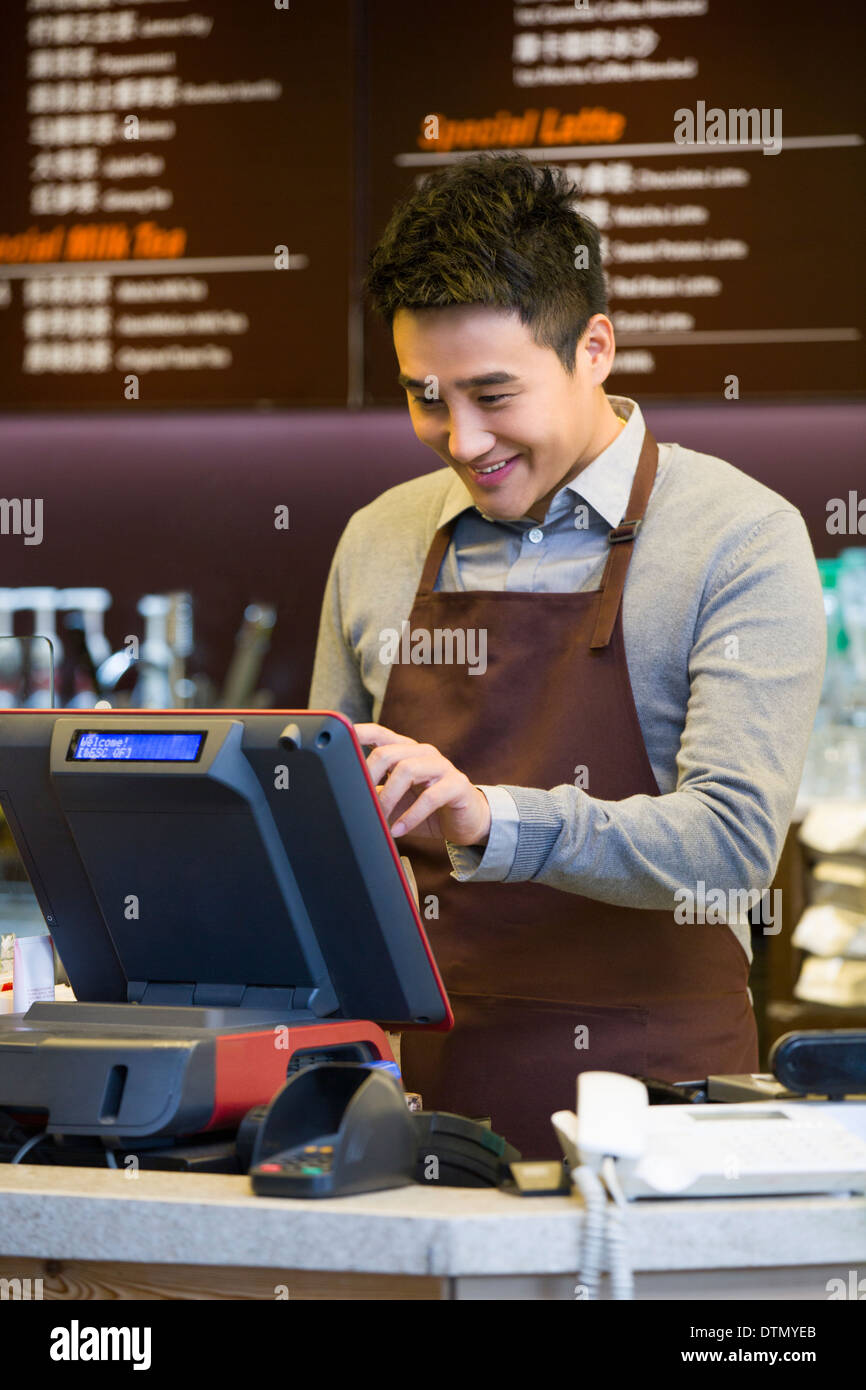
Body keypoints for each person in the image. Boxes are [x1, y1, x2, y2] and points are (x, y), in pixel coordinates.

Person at [309, 152, 826, 1155]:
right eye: (424, 396)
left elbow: (729, 847)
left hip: (653, 1122)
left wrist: (486, 817)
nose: (459, 438)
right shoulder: (378, 536)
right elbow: (324, 829)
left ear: (593, 346)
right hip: (405, 1107)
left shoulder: (738, 536)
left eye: (492, 394)